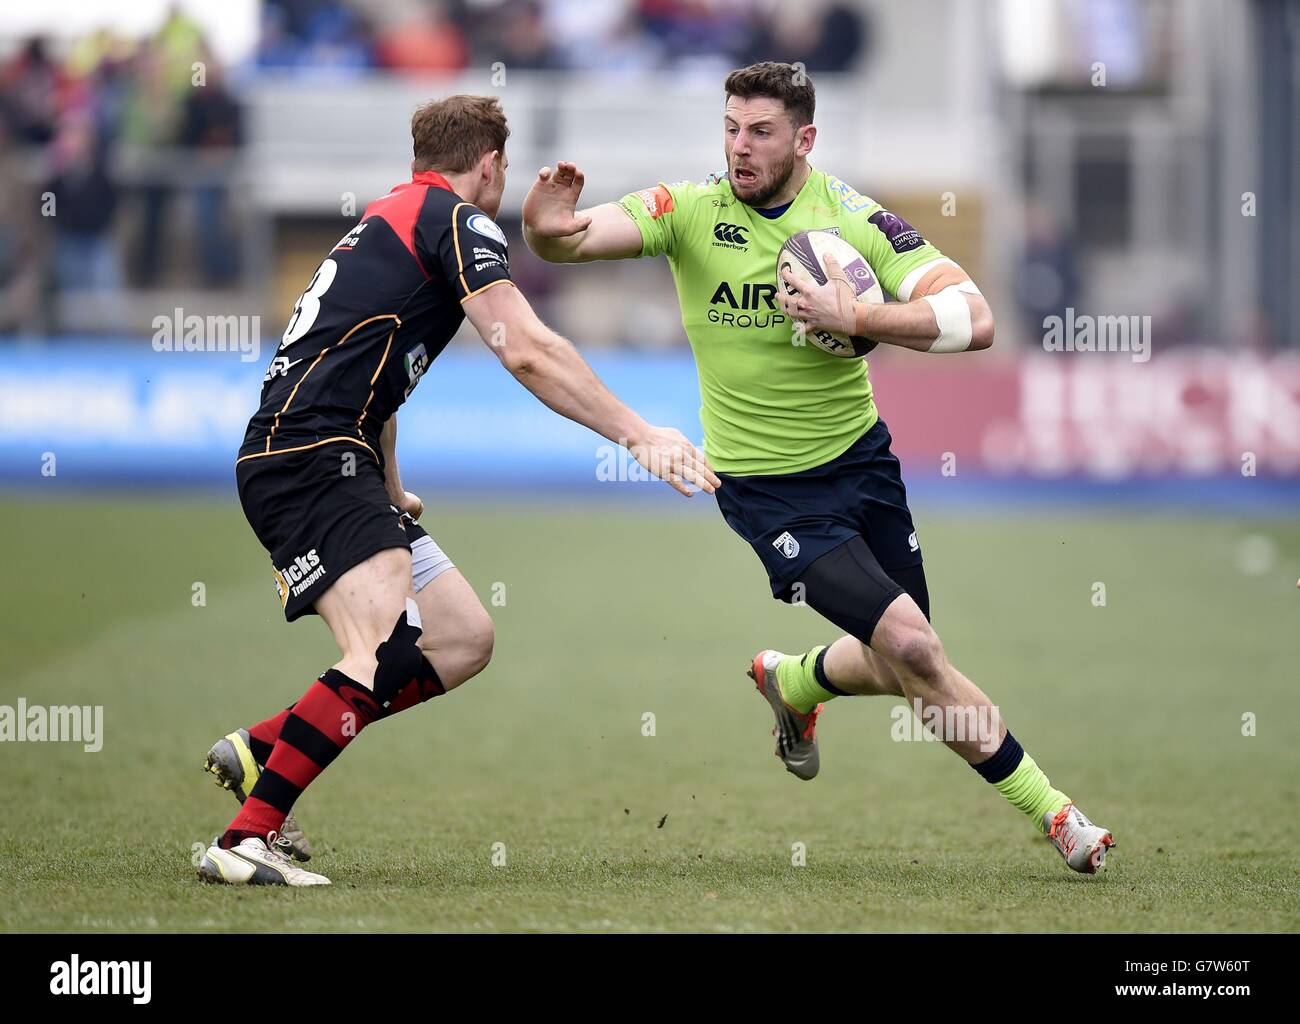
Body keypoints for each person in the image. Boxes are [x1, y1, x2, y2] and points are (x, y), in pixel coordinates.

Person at [521, 62, 1114, 874]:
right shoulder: (692, 209)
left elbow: (975, 320)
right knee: (918, 649)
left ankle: (794, 682)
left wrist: (858, 315)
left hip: (863, 465)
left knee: (905, 657)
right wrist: (544, 223)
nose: (739, 147)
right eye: (731, 128)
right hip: (767, 494)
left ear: (804, 139)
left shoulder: (853, 219)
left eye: (760, 132)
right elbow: (574, 237)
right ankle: (1061, 817)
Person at [198, 94, 718, 886]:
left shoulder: (384, 218)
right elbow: (529, 350)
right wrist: (640, 435)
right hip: (312, 458)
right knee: (374, 652)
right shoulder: (457, 220)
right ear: (490, 165)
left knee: (461, 637)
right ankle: (245, 840)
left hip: (322, 453)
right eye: (502, 170)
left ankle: (262, 748)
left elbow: (374, 374)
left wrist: (392, 486)